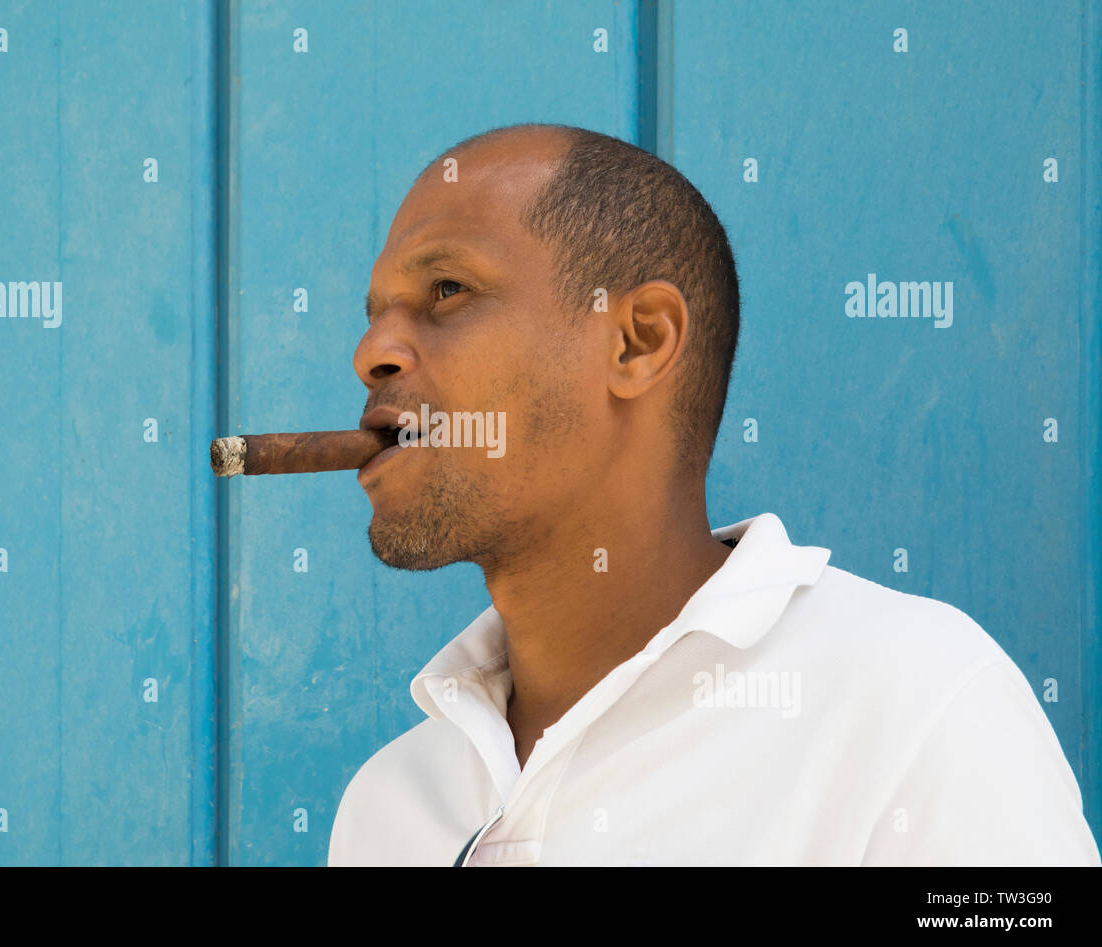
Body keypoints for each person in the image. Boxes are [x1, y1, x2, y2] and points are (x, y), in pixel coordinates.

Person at [327, 123, 1100, 866]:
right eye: (376, 317)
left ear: (638, 340)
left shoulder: (913, 702)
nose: (373, 353)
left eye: (448, 289)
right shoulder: (388, 805)